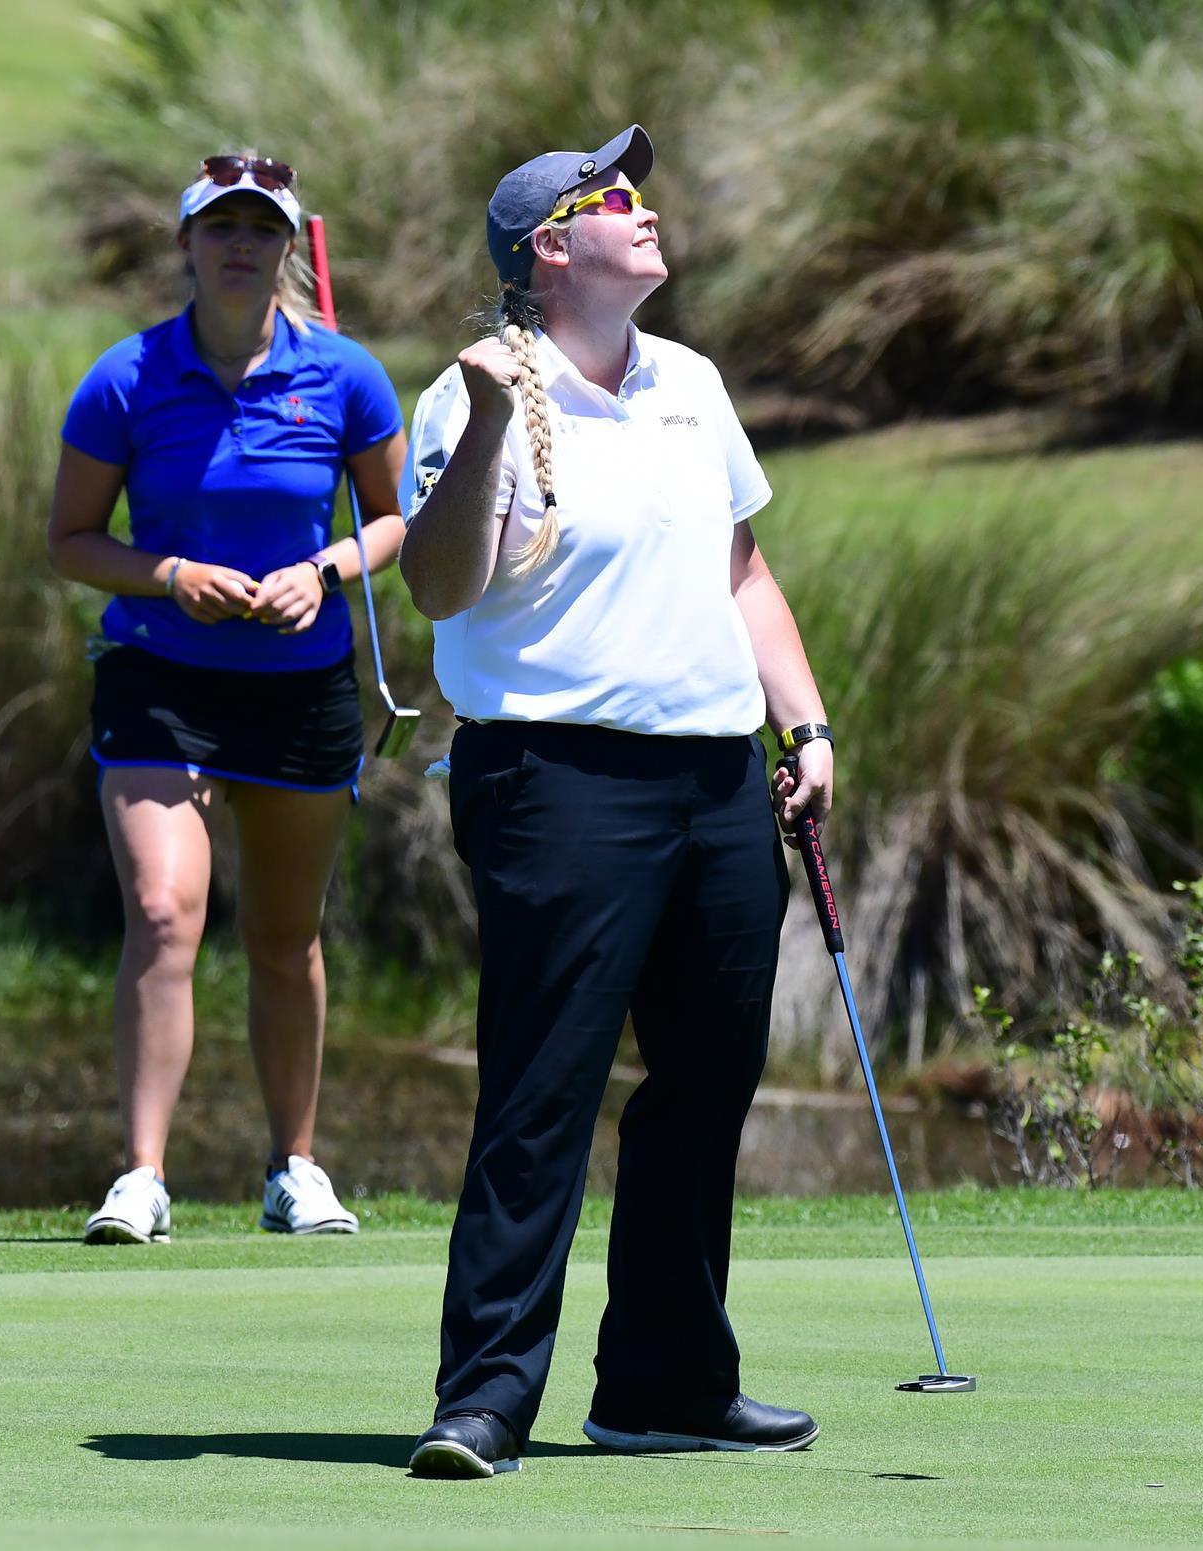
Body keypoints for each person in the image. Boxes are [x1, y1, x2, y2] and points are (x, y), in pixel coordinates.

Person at [397, 126, 836, 1478]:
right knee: (544, 1085)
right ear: (550, 246)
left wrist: (806, 719)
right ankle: (481, 1397)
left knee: (705, 1083)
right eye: (614, 199)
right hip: (556, 778)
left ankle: (665, 1378)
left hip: (712, 781)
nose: (644, 211)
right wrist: (479, 426)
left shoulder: (691, 386)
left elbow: (742, 571)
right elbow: (438, 586)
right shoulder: (471, 393)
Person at [47, 154, 407, 1245]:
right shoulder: (126, 378)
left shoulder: (346, 377)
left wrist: (326, 572)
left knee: (285, 937)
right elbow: (70, 542)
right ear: (187, 247)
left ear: (289, 249)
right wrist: (169, 576)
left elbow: (394, 525)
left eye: (261, 230)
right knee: (163, 915)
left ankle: (292, 1166)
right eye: (221, 229)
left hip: (298, 688)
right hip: (160, 677)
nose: (240, 245)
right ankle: (142, 1177)